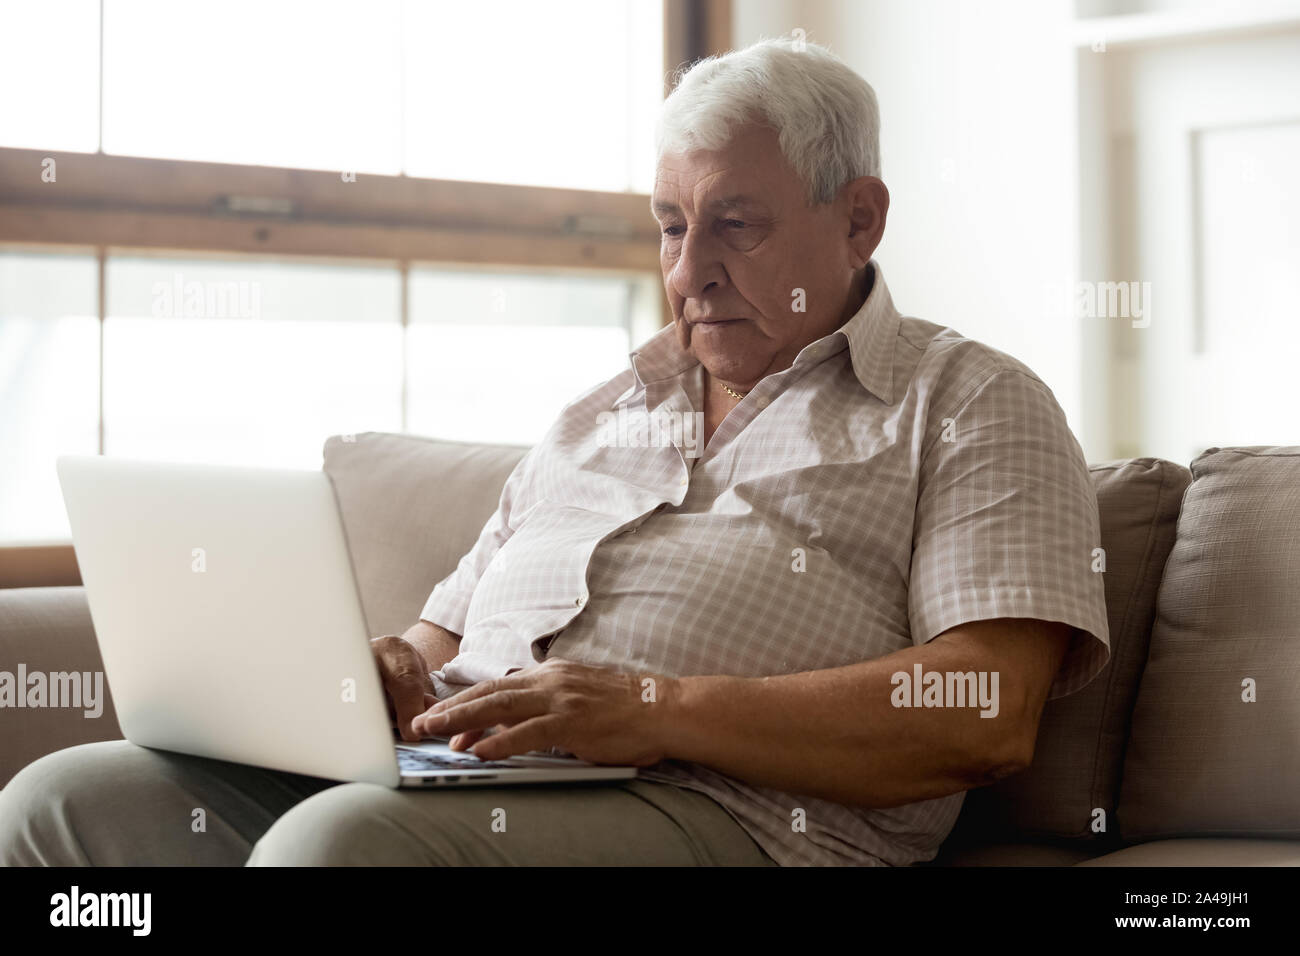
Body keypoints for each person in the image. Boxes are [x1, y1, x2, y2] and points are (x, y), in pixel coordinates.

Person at [0, 37, 1108, 867]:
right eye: (672, 226)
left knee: (338, 846)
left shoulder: (969, 401)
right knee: (61, 802)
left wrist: (657, 706)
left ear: (859, 219)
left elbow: (983, 708)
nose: (688, 272)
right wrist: (387, 666)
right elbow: (439, 639)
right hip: (466, 778)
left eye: (737, 224)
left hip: (734, 814)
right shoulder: (598, 411)